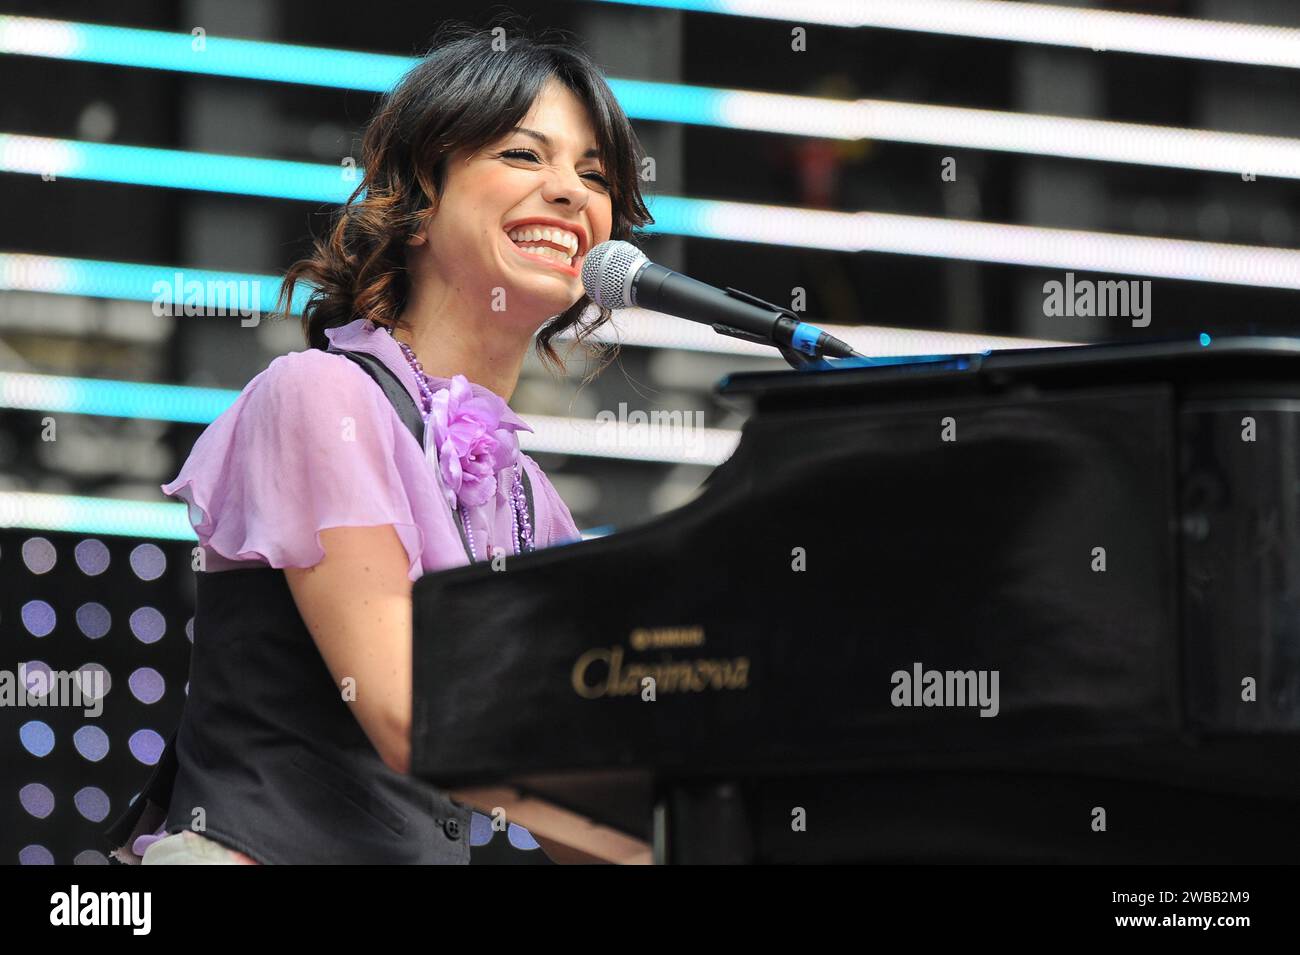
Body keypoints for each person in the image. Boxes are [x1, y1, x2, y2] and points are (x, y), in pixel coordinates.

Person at [105, 19, 653, 864]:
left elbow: (571, 766)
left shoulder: (527, 497)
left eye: (594, 175)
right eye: (522, 155)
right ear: (418, 202)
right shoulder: (320, 394)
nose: (572, 192)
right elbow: (408, 716)